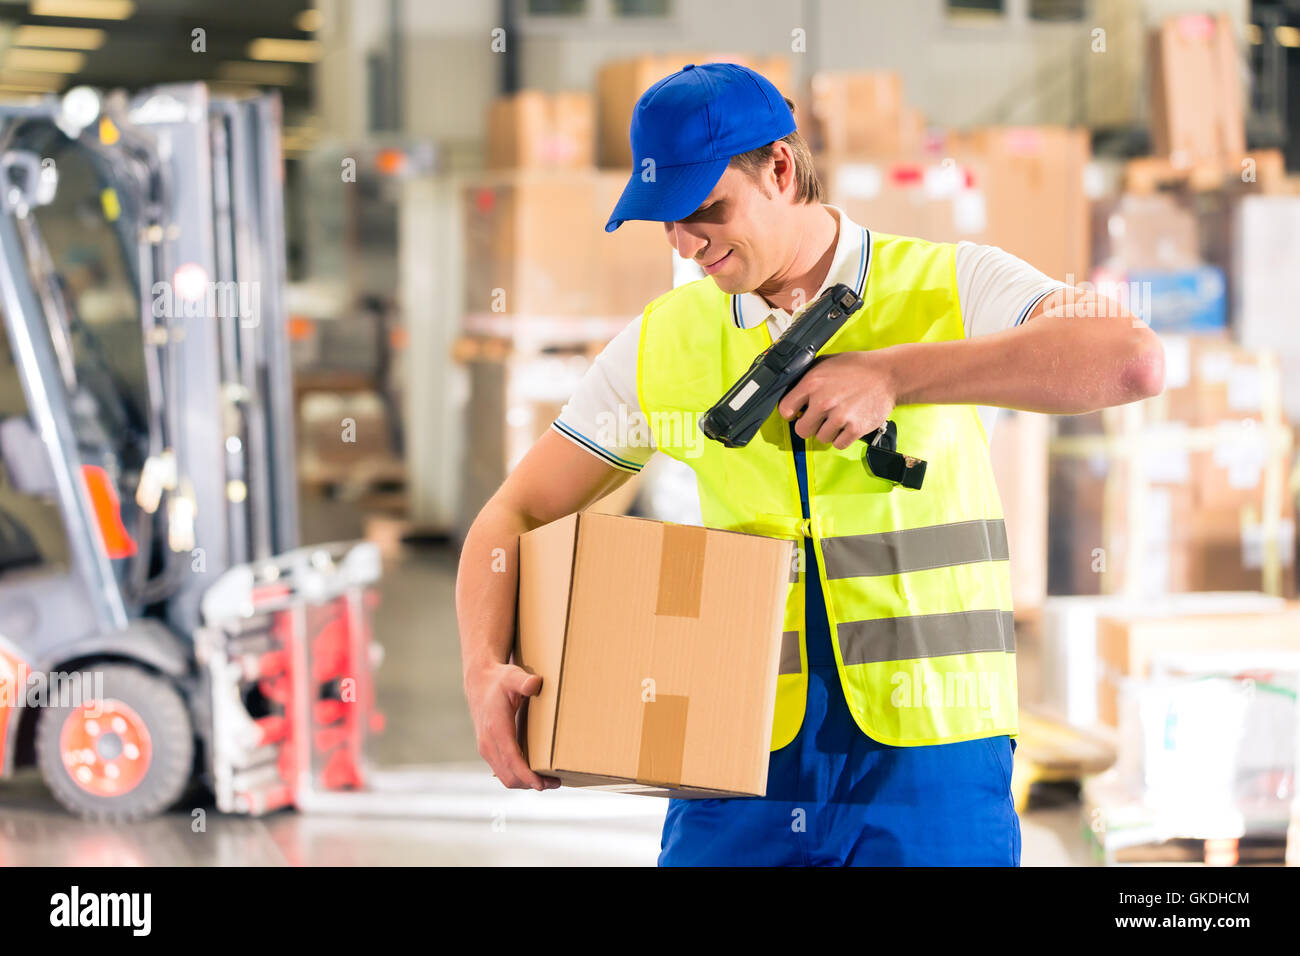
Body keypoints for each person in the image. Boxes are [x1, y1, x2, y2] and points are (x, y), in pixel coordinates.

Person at [457, 62, 1164, 866]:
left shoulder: (951, 285)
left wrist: (897, 374)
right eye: (667, 222)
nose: (688, 245)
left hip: (935, 756)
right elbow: (512, 514)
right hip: (736, 761)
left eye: (707, 210)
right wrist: (483, 666)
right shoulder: (663, 344)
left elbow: (1130, 362)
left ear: (781, 170)